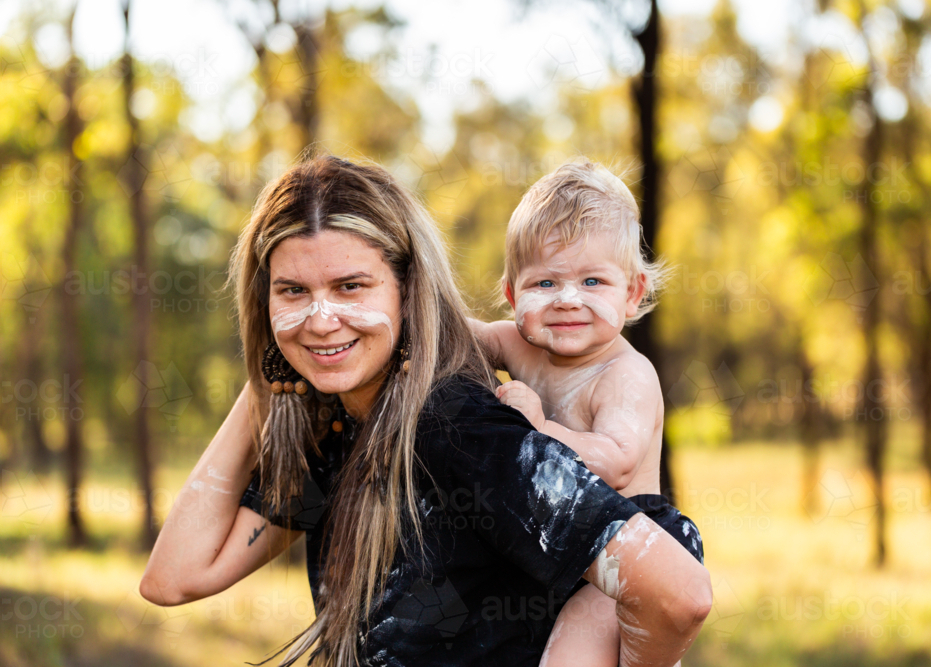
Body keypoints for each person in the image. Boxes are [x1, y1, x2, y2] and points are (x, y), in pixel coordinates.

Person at [139, 155, 712, 667]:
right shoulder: (340, 422)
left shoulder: (459, 425)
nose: (320, 316)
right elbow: (174, 577)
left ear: (407, 290)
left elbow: (678, 594)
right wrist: (276, 364)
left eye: (350, 286)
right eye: (292, 291)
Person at [469, 158, 704, 666]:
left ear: (633, 292)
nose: (568, 300)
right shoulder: (518, 343)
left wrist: (541, 429)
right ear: (512, 295)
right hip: (564, 547)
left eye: (593, 282)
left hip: (631, 549)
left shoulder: (625, 374)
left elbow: (618, 460)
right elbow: (459, 336)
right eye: (545, 284)